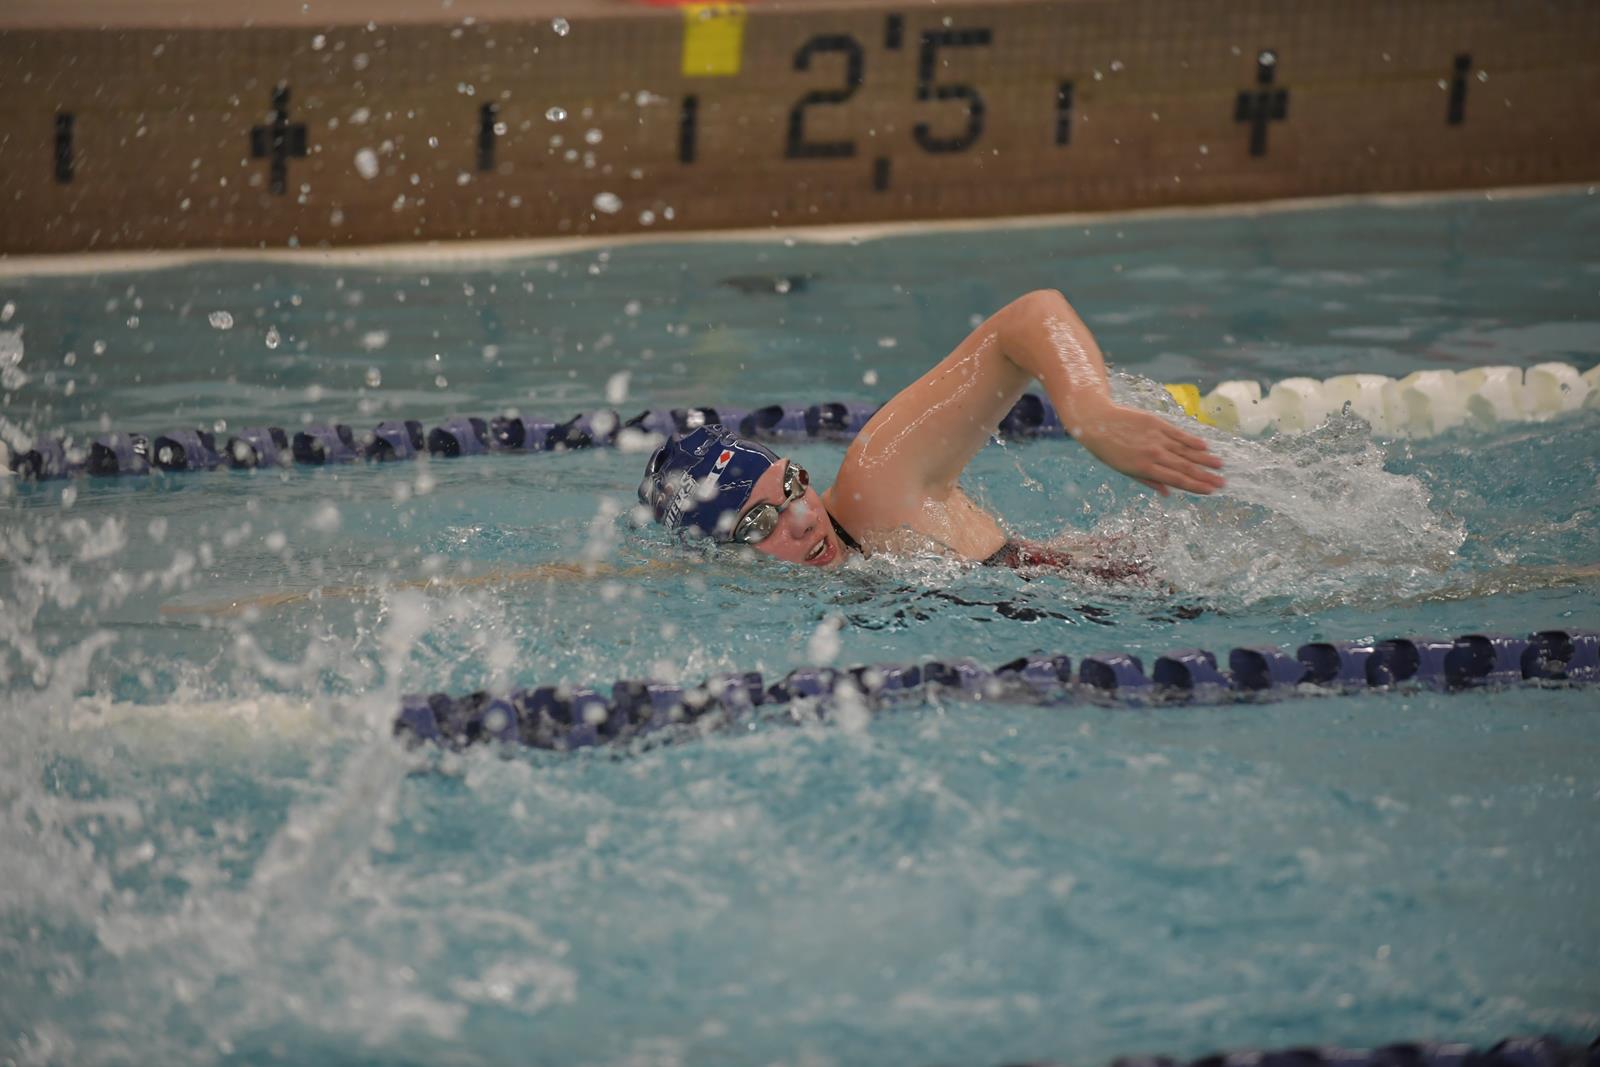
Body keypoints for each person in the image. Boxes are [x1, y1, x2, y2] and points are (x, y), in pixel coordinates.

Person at [638, 289, 1226, 573]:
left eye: (792, 484)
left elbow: (1029, 318)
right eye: (760, 522)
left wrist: (1091, 413)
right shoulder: (726, 582)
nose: (801, 517)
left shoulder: (878, 488)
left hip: (1169, 589)